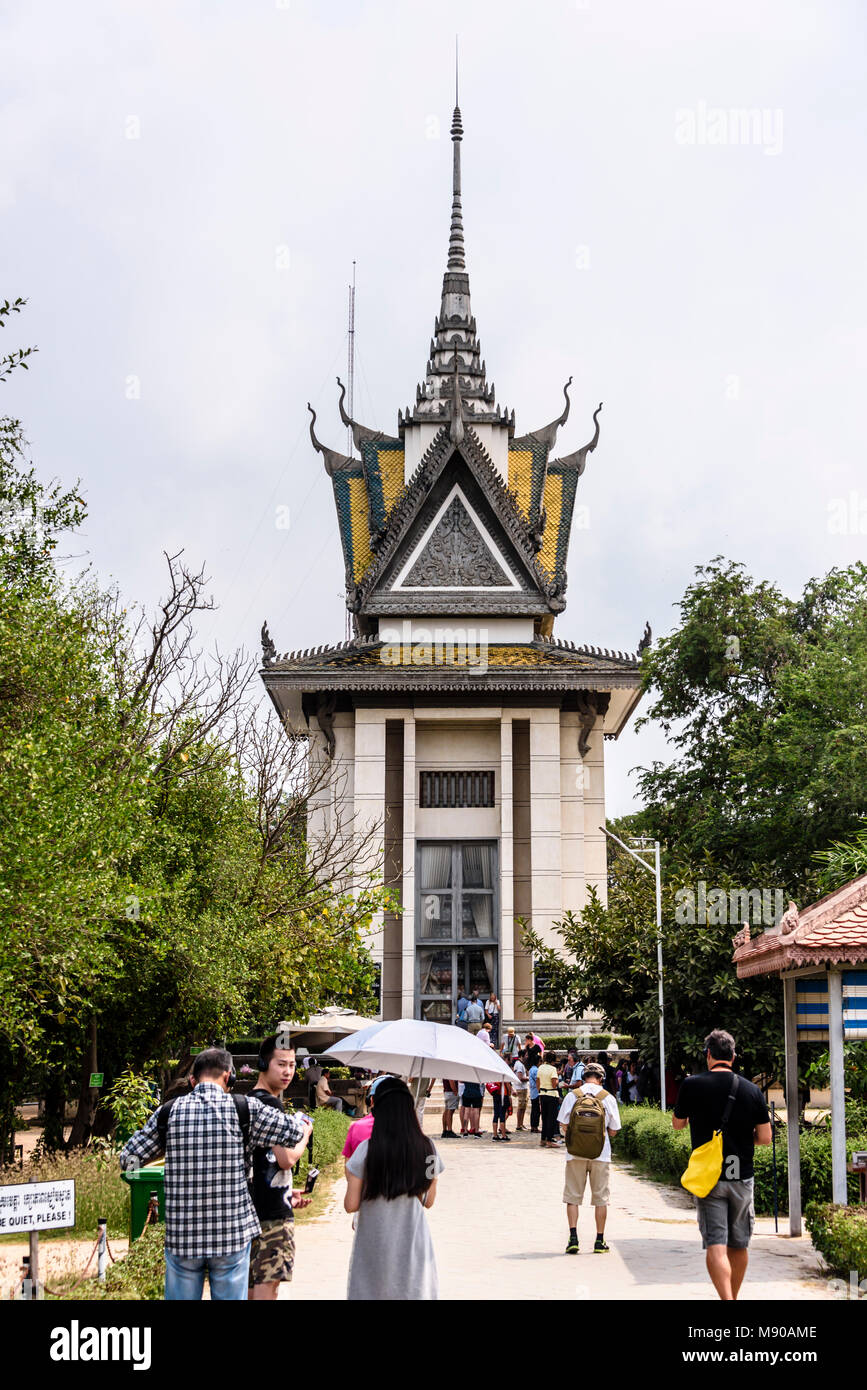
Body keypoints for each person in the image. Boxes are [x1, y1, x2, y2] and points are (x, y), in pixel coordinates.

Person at [119, 1047, 311, 1301]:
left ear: (193, 1080)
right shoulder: (245, 1109)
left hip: (182, 1236)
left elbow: (129, 1160)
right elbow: (293, 1133)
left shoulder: (169, 1111)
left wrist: (168, 1149)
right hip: (231, 1235)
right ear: (229, 1076)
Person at [672, 1029, 772, 1301]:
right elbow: (764, 1138)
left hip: (709, 1179)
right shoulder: (751, 1090)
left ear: (708, 1055)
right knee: (739, 1245)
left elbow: (678, 1124)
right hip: (742, 1177)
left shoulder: (692, 1085)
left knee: (716, 1244)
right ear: (733, 1056)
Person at [344, 1076, 444, 1300]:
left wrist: (352, 1175)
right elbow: (427, 1200)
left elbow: (350, 1205)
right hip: (412, 1241)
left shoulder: (365, 1150)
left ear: (375, 1107)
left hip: (374, 1241)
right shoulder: (428, 1148)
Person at [247, 1036, 313, 1301]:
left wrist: (287, 1191)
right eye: (281, 1064)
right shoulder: (270, 1104)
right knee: (268, 1287)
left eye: (292, 1065)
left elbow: (264, 1164)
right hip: (272, 1216)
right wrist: (304, 1134)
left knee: (252, 1286)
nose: (288, 1072)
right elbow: (286, 1158)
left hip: (252, 1209)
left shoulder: (248, 1101)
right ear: (264, 1063)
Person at [558, 1061, 621, 1254]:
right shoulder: (607, 1098)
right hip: (600, 1154)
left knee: (573, 1197)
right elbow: (613, 1131)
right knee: (601, 1199)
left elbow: (563, 1124)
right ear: (601, 1078)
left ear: (583, 1077)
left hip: (574, 1153)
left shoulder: (572, 1095)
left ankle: (573, 1238)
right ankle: (599, 1241)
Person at [537, 1051, 561, 1148]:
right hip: (552, 1094)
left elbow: (537, 1081)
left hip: (542, 1094)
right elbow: (554, 1083)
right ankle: (549, 1140)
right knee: (551, 1118)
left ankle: (543, 1139)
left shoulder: (541, 1067)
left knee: (544, 1117)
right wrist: (558, 1079)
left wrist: (540, 1091)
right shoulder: (553, 1069)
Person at [488, 1074, 512, 1141]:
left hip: (495, 1094)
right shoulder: (503, 1074)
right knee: (502, 1115)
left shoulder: (494, 1074)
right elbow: (507, 1085)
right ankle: (504, 1136)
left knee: (496, 1115)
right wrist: (509, 1094)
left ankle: (495, 1135)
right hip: (503, 1095)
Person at [511, 1052, 529, 1130]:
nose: (527, 1056)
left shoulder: (521, 1064)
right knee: (521, 1107)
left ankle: (521, 1123)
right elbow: (520, 1077)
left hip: (523, 1087)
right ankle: (519, 1124)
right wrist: (530, 1078)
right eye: (526, 1055)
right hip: (521, 1088)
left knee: (523, 1107)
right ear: (522, 1056)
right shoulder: (519, 1065)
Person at [528, 1054, 541, 1133]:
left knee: (534, 1110)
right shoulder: (536, 1070)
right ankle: (535, 1126)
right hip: (536, 1092)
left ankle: (533, 1126)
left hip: (533, 1092)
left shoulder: (531, 1069)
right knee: (536, 1111)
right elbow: (537, 1081)